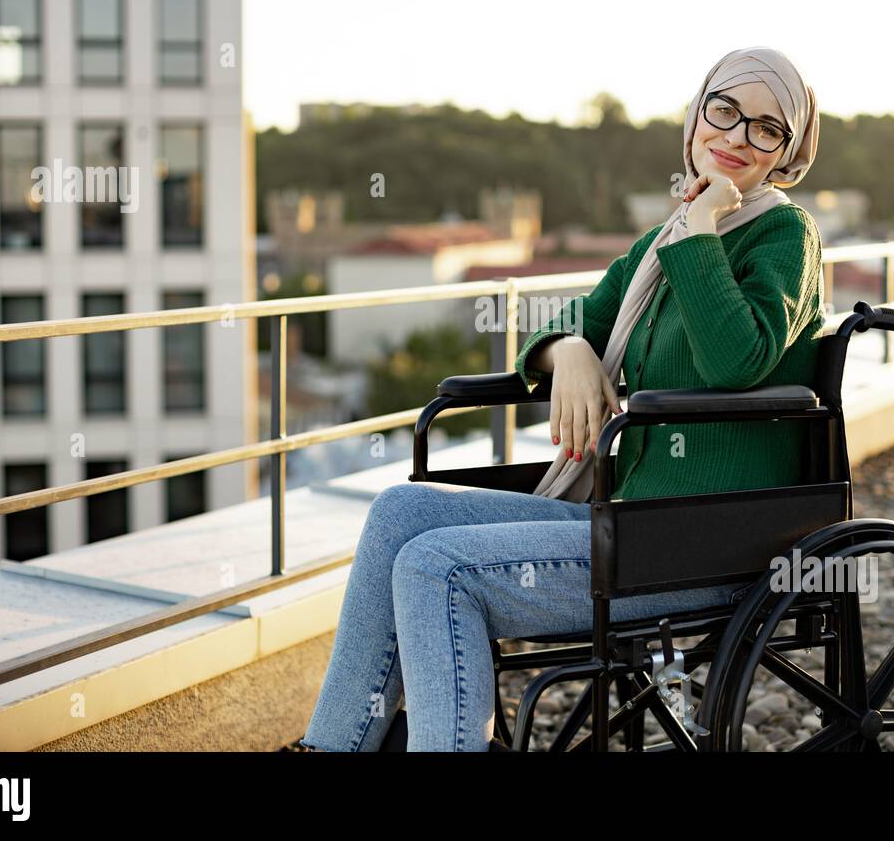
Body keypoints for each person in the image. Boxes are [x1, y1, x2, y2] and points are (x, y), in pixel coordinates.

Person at [301, 46, 825, 752]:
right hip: (624, 517)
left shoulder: (783, 235)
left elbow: (736, 359)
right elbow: (563, 325)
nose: (735, 136)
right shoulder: (659, 244)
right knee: (401, 512)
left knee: (436, 567)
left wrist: (702, 232)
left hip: (701, 540)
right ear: (698, 114)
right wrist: (571, 352)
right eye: (724, 110)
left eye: (767, 128)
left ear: (788, 154)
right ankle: (330, 746)